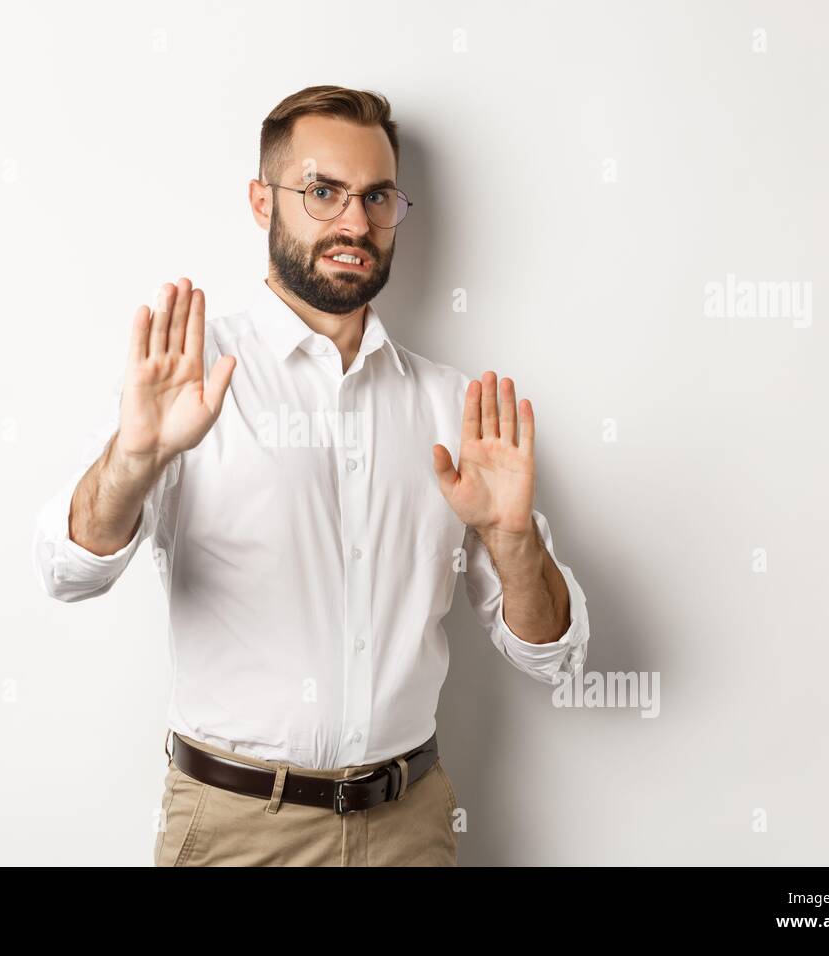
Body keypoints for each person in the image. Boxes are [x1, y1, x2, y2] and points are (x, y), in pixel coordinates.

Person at [32, 85, 590, 866]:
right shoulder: (188, 382)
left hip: (411, 826)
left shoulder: (452, 407)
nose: (355, 223)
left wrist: (511, 537)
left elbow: (551, 655)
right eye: (322, 192)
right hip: (238, 830)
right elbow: (67, 572)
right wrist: (136, 458)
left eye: (377, 198)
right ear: (263, 201)